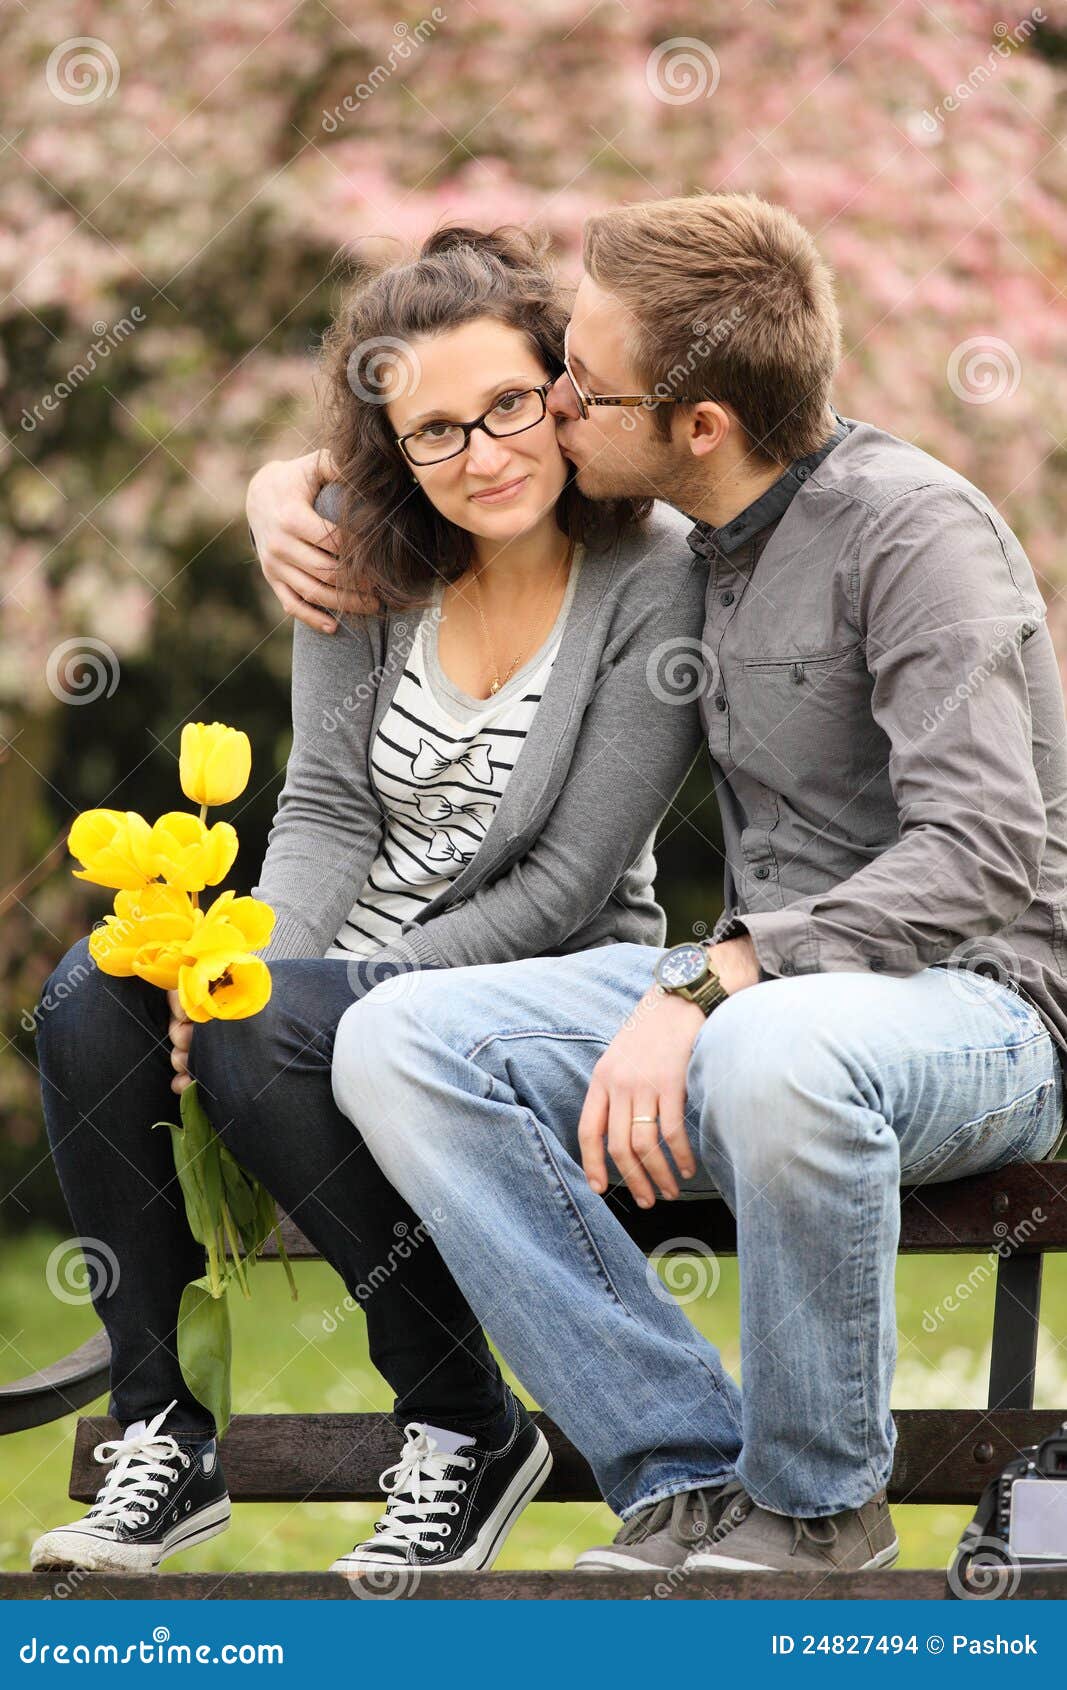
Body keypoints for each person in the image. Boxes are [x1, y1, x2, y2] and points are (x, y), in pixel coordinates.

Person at [316, 190, 1067, 1578]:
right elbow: (402, 456)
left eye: (582, 387)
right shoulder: (685, 538)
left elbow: (984, 853)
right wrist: (278, 498)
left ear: (700, 424)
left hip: (978, 1013)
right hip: (758, 999)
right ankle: (680, 1474)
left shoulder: (917, 536)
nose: (549, 405)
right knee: (398, 1039)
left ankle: (818, 1509)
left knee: (779, 1038)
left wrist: (718, 974)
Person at [29, 225, 710, 1576]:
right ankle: (162, 1433)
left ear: (560, 389)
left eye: (509, 406)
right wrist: (239, 966)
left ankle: (462, 1419)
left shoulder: (656, 570)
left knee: (265, 1018)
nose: (483, 454)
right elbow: (330, 807)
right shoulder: (356, 546)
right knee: (90, 1000)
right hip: (319, 982)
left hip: (538, 980)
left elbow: (568, 881)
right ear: (390, 447)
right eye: (437, 431)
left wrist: (305, 995)